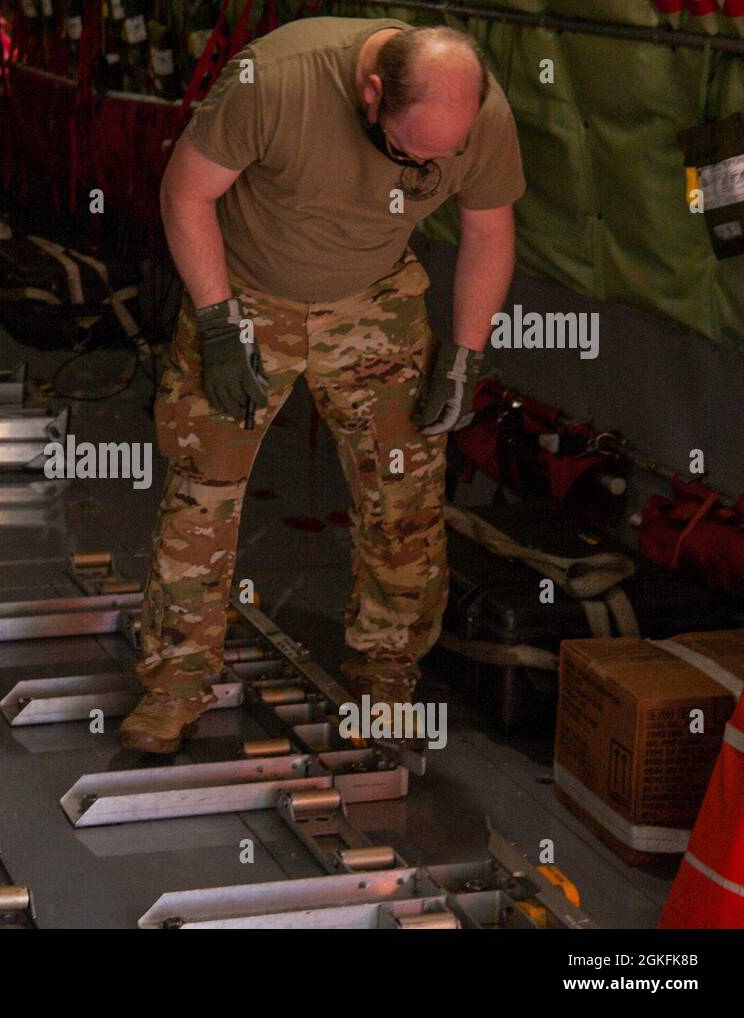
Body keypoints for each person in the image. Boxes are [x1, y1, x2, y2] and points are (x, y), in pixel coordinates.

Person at [121, 19, 525, 753]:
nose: (423, 166)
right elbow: (186, 195)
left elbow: (489, 233)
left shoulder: (480, 115)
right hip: (245, 290)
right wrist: (217, 325)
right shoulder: (273, 82)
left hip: (374, 298)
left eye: (441, 156)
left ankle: (387, 673)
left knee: (403, 496)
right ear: (372, 96)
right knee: (202, 493)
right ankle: (174, 685)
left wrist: (465, 356)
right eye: (409, 152)